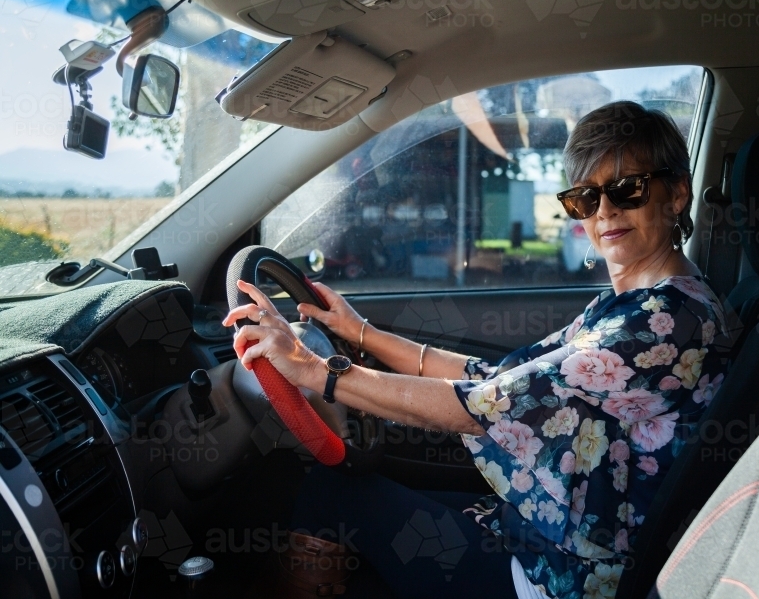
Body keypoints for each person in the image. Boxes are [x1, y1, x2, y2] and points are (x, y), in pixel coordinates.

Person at [223, 101, 731, 599]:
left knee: (329, 495)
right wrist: (361, 335)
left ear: (677, 194)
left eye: (627, 188)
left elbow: (483, 405)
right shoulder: (633, 305)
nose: (605, 211)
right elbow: (500, 376)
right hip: (541, 535)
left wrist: (314, 370)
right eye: (585, 198)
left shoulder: (663, 323)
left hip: (561, 577)